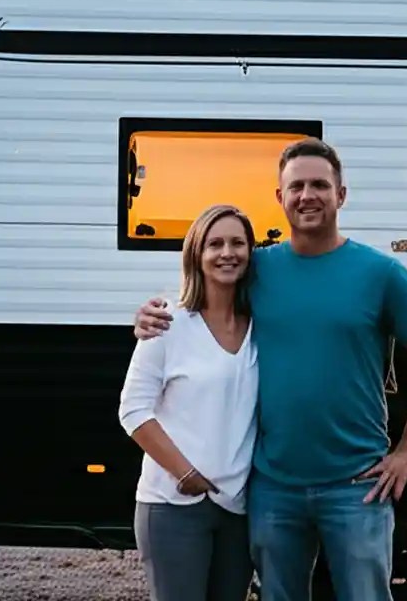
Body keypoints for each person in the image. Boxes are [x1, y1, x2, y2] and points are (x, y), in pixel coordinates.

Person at [133, 139, 407, 601]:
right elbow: (202, 287)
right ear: (279, 197)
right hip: (273, 487)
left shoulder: (381, 273)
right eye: (296, 186)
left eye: (320, 185)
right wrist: (146, 315)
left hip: (358, 486)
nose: (308, 195)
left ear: (341, 194)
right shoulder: (257, 269)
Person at [117, 204, 261, 601]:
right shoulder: (167, 324)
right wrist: (185, 474)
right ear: (196, 254)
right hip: (173, 503)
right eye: (215, 243)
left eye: (237, 243)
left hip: (238, 508)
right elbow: (133, 409)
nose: (227, 252)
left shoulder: (261, 328)